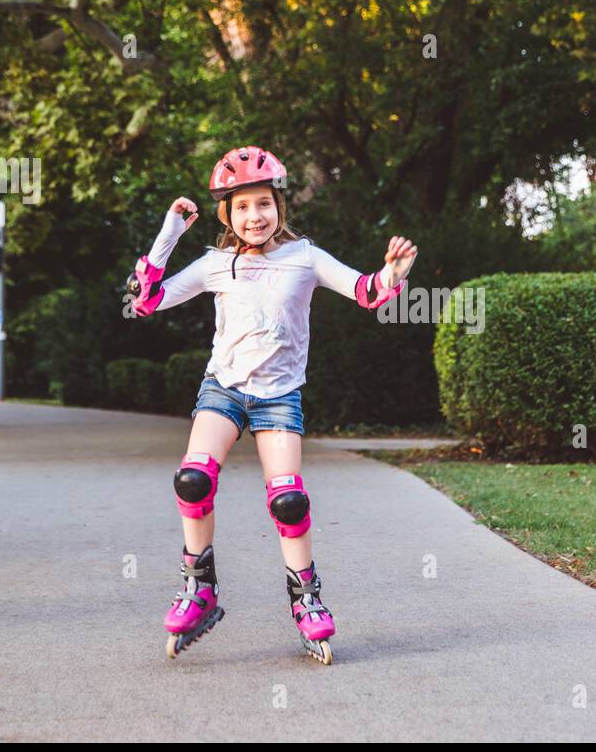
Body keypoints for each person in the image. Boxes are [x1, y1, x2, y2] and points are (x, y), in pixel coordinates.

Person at [127, 145, 417, 663]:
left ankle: (306, 598)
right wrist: (169, 233)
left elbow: (367, 292)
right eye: (241, 207)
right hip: (223, 390)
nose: (253, 216)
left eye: (263, 204)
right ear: (227, 214)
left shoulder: (304, 256)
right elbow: (145, 301)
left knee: (289, 501)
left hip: (278, 397)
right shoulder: (216, 264)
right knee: (192, 480)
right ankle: (199, 587)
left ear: (278, 207)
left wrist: (392, 273)